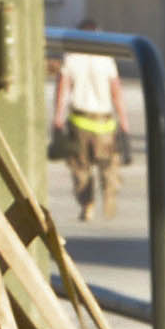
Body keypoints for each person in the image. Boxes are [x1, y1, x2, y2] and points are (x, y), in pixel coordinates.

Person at [57, 45, 127, 217]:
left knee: (80, 166)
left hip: (80, 122)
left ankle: (87, 204)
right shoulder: (106, 59)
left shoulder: (71, 58)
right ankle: (109, 200)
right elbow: (116, 92)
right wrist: (124, 122)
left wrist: (58, 118)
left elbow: (63, 91)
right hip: (104, 123)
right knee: (109, 164)